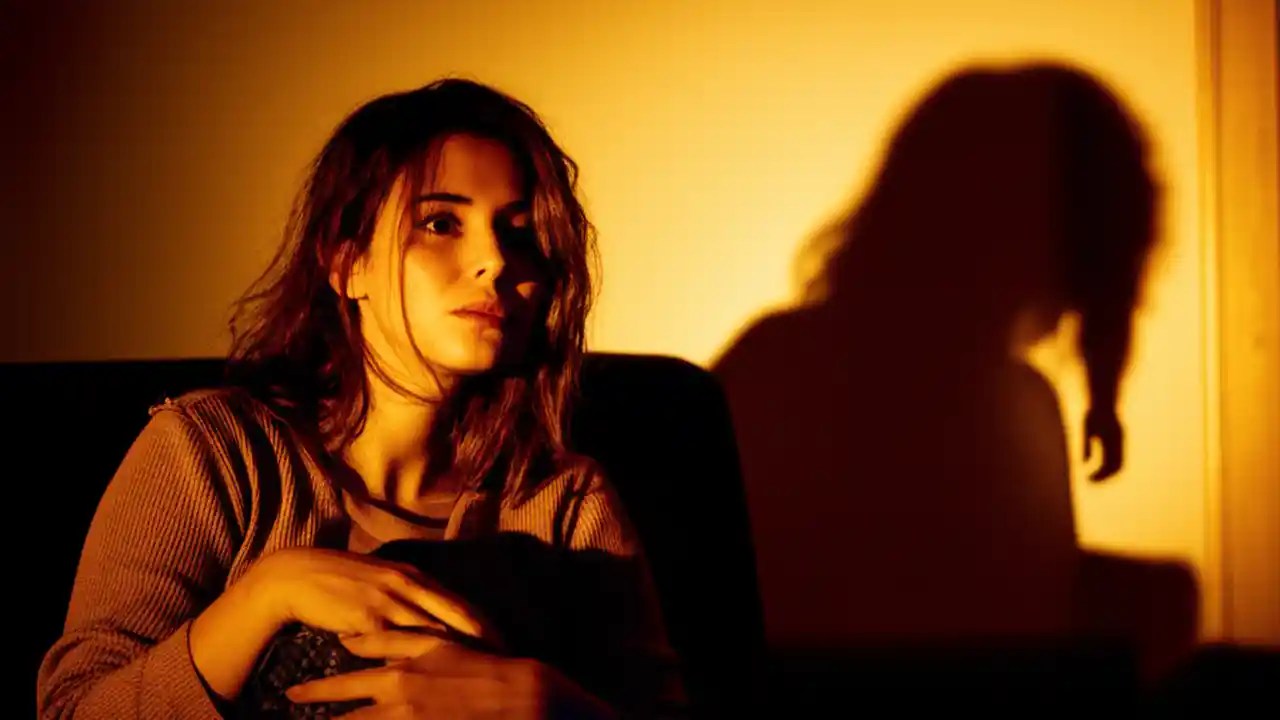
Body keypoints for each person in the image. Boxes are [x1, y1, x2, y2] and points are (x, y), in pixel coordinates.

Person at [38, 78, 684, 719]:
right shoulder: (209, 452)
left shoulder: (564, 500)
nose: (495, 260)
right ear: (348, 263)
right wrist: (269, 594)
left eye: (519, 234)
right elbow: (72, 711)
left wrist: (550, 705)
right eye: (440, 223)